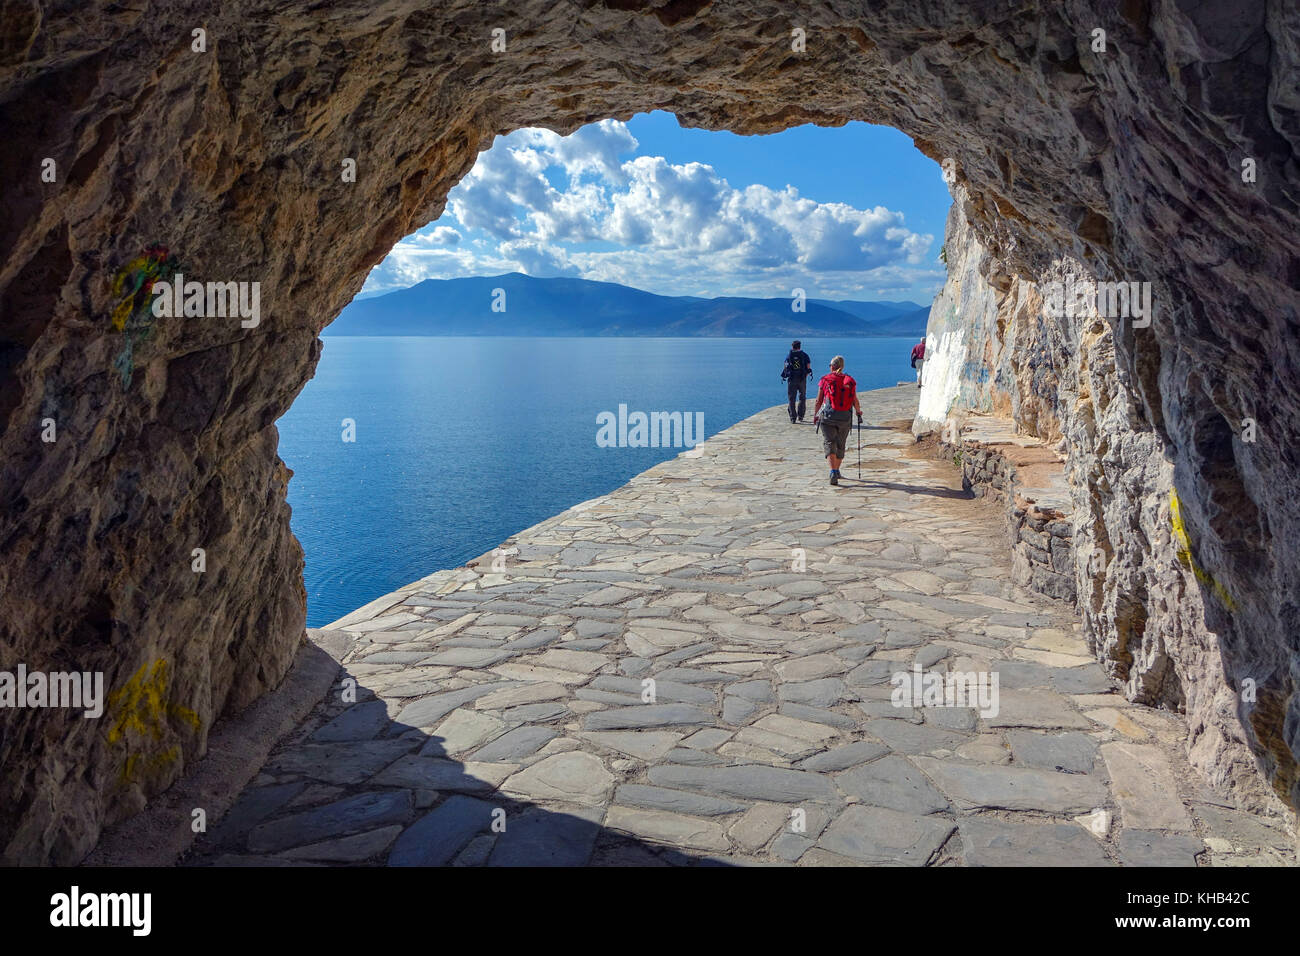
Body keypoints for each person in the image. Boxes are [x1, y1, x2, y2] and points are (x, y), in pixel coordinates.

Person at [812, 355, 863, 485]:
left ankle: (833, 471)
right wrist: (858, 412)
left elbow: (818, 400)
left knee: (829, 442)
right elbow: (854, 400)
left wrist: (815, 415)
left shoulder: (825, 380)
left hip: (827, 417)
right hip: (845, 418)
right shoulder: (849, 381)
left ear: (832, 366)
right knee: (841, 444)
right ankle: (837, 470)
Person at [780, 340, 813, 423]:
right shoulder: (804, 355)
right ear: (800, 346)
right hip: (802, 379)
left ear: (792, 347)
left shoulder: (789, 356)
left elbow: (785, 367)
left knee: (792, 399)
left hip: (792, 379)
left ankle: (793, 417)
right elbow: (808, 367)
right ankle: (801, 416)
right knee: (802, 397)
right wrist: (804, 376)